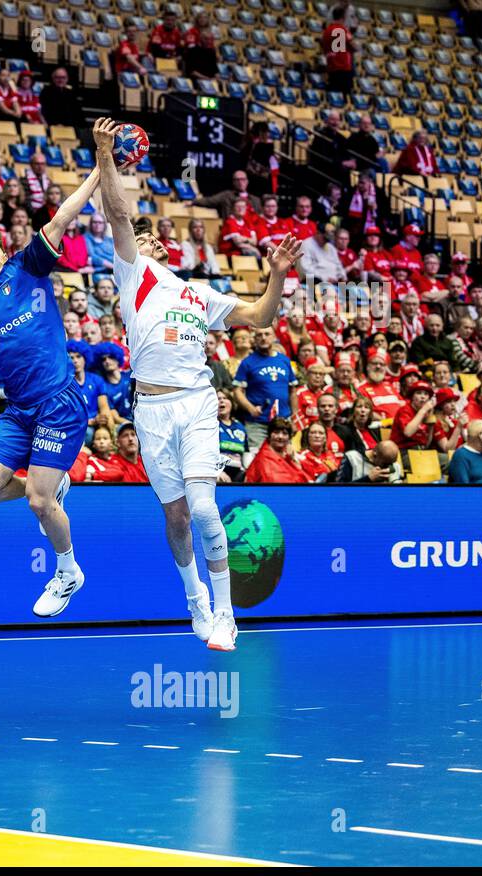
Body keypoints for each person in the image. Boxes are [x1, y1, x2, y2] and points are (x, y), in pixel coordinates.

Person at [95, 117, 303, 652]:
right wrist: (104, 153)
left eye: (152, 239)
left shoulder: (198, 295)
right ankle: (195, 602)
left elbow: (259, 317)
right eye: (141, 238)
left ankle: (226, 614)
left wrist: (277, 273)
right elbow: (117, 213)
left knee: (207, 507)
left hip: (197, 405)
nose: (150, 242)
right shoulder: (132, 275)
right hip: (151, 410)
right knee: (177, 516)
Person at [0, 157, 103, 618]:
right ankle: (51, 489)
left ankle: (67, 570)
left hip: (58, 402)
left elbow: (61, 216)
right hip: (18, 411)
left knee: (36, 500)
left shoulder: (27, 267)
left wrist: (96, 171)